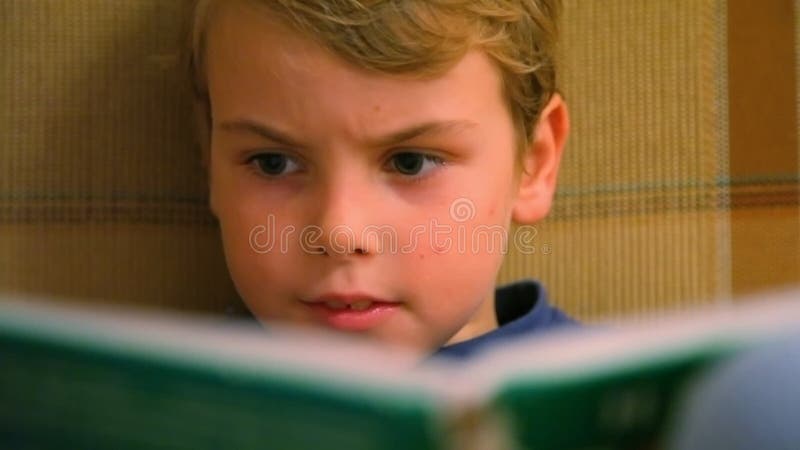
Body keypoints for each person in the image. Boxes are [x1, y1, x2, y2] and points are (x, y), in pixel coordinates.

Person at [187, 0, 576, 359]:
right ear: (210, 162)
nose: (340, 234)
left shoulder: (604, 400)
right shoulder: (175, 400)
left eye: (410, 163)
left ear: (534, 164)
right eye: (274, 163)